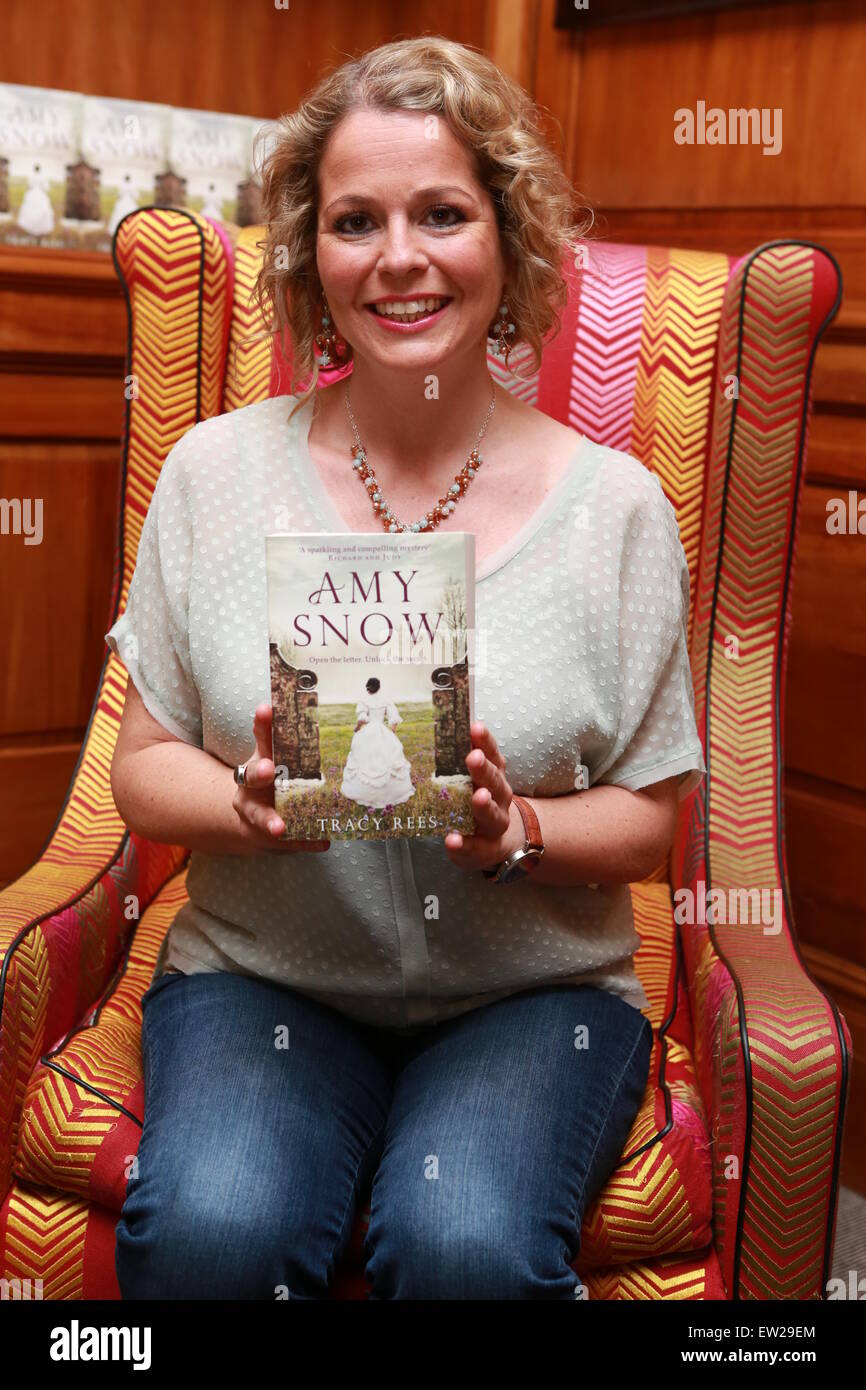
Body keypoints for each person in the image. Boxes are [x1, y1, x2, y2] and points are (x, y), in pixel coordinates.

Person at [106, 35, 706, 1300]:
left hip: (528, 998)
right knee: (216, 1228)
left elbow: (650, 821)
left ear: (508, 239)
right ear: (311, 258)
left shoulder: (618, 509)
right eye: (352, 220)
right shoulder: (212, 476)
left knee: (466, 1247)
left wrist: (519, 829)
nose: (397, 258)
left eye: (441, 213)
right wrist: (245, 807)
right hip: (264, 977)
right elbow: (142, 767)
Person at [339, 676, 414, 810]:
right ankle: (389, 792)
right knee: (385, 758)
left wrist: (357, 728)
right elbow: (394, 719)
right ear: (379, 687)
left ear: (368, 689)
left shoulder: (364, 701)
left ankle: (365, 792)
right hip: (381, 729)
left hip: (368, 731)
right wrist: (391, 732)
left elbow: (362, 719)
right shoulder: (385, 700)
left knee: (366, 758)